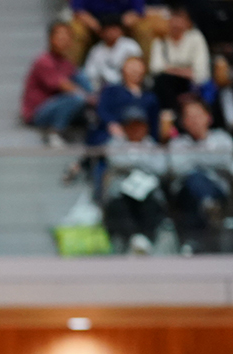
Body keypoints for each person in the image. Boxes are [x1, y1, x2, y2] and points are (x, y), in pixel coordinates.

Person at [168, 97, 232, 253]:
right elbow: (178, 168)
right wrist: (211, 158)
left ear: (208, 117)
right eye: (189, 117)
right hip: (187, 195)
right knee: (195, 178)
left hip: (219, 192)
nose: (194, 120)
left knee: (198, 177)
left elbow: (229, 165)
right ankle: (207, 208)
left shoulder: (223, 139)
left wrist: (195, 158)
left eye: (198, 115)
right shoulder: (177, 143)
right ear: (183, 122)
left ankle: (208, 211)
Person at [102, 106, 169, 254]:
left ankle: (146, 241)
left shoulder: (153, 145)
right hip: (122, 192)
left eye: (139, 125)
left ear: (146, 127)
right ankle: (134, 239)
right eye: (131, 125)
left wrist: (132, 158)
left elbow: (161, 167)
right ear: (124, 128)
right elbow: (116, 160)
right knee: (118, 206)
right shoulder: (115, 143)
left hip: (148, 192)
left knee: (151, 205)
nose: (135, 129)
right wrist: (142, 160)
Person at [21, 22, 93, 147]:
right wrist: (89, 98)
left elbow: (82, 84)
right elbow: (63, 86)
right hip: (39, 112)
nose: (63, 40)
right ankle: (54, 132)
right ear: (51, 39)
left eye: (67, 37)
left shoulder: (68, 63)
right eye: (60, 37)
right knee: (77, 98)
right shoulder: (43, 60)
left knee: (81, 77)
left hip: (61, 106)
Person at [149, 5, 210, 114]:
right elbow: (155, 68)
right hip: (167, 85)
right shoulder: (160, 41)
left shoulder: (196, 38)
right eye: (173, 20)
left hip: (191, 85)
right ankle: (169, 117)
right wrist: (185, 70)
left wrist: (169, 68)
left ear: (187, 23)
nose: (176, 24)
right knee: (161, 82)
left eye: (180, 20)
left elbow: (201, 73)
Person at [68, 0, 146, 65]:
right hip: (93, 24)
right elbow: (78, 10)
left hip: (122, 24)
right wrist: (96, 26)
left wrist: (117, 28)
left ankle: (144, 73)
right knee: (76, 30)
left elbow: (138, 11)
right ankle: (71, 72)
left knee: (143, 28)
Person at [82, 15, 143, 91]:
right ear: (101, 33)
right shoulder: (96, 50)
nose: (111, 33)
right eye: (108, 30)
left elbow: (138, 70)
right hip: (104, 89)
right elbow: (90, 74)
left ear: (121, 31)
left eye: (114, 29)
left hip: (127, 87)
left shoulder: (130, 46)